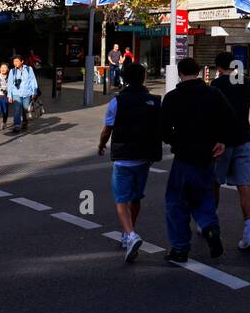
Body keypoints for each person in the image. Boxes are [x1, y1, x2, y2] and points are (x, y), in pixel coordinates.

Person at [160, 57, 236, 263]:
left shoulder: (172, 98)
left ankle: (180, 248)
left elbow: (164, 130)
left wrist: (176, 141)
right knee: (204, 196)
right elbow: (229, 118)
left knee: (176, 202)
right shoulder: (213, 94)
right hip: (207, 154)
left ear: (179, 72)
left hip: (184, 156)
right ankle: (210, 228)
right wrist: (221, 140)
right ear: (200, 71)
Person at [97, 62, 162, 262]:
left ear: (124, 78)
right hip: (144, 157)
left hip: (124, 157)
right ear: (143, 77)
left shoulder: (117, 102)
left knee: (121, 200)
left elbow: (108, 128)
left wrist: (101, 145)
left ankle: (131, 234)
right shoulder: (154, 100)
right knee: (136, 198)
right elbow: (160, 127)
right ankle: (128, 233)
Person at [211, 52, 250, 252]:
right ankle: (249, 230)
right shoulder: (247, 83)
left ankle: (211, 223)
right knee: (244, 185)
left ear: (218, 68)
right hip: (244, 137)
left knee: (215, 182)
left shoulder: (216, 86)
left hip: (223, 139)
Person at [7, 54, 38, 132]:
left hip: (27, 93)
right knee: (17, 109)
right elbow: (10, 83)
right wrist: (9, 95)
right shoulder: (12, 71)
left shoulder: (28, 69)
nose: (15, 63)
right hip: (16, 93)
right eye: (14, 61)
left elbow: (32, 80)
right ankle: (17, 125)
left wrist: (34, 91)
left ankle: (25, 122)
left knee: (25, 108)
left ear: (22, 62)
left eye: (17, 61)